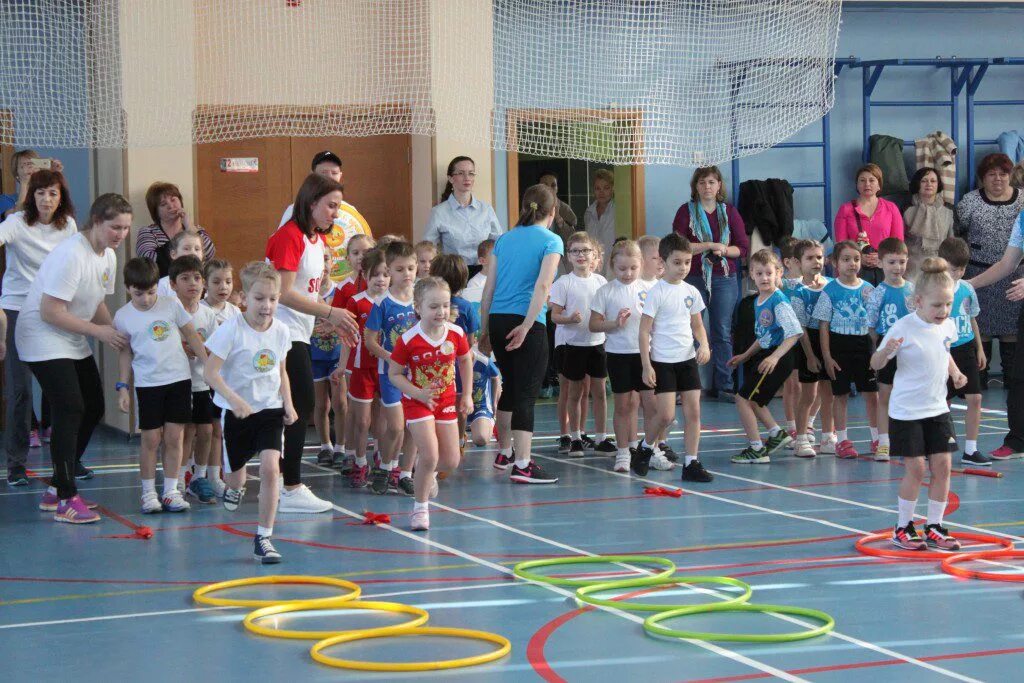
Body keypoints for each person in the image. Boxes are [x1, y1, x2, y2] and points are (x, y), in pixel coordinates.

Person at [17, 193, 131, 523]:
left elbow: (95, 301)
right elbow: (50, 311)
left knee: (93, 405)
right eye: (114, 227)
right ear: (96, 222)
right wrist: (99, 333)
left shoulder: (108, 255)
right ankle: (66, 497)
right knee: (70, 407)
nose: (120, 235)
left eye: (125, 228)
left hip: (70, 335)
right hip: (42, 335)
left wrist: (114, 330)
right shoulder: (71, 255)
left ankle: (56, 488)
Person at [265, 172, 358, 514]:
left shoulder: (316, 242)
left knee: (296, 408)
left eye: (338, 207)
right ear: (311, 202)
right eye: (331, 206)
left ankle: (281, 483)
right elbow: (283, 292)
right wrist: (330, 312)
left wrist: (328, 321)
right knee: (301, 405)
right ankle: (289, 487)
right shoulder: (289, 236)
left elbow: (309, 292)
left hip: (301, 331)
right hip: (281, 334)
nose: (335, 213)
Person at [204, 262, 297, 563]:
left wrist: (289, 403)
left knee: (271, 468)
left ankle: (264, 537)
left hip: (269, 410)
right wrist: (234, 400)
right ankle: (235, 488)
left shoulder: (282, 331)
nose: (266, 305)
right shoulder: (231, 330)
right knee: (236, 478)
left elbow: (281, 371)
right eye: (259, 298)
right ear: (244, 297)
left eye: (272, 299)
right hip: (237, 413)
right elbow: (210, 373)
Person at [870, 257, 965, 551]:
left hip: (937, 409)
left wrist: (955, 372)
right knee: (916, 470)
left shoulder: (947, 326)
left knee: (944, 466)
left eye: (948, 304)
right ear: (918, 302)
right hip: (907, 412)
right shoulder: (903, 327)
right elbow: (875, 363)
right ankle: (903, 527)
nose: (943, 311)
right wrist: (885, 351)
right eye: (937, 305)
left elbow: (943, 349)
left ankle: (934, 526)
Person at [479, 183, 562, 484]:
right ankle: (524, 465)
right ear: (551, 213)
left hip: (499, 318)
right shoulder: (551, 241)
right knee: (526, 390)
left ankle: (504, 453)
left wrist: (485, 328)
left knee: (511, 385)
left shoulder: (503, 240)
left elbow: (489, 288)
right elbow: (543, 286)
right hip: (526, 320)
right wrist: (528, 325)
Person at [0, 169, 77, 486]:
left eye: (53, 193)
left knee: (64, 391)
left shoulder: (69, 226)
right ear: (31, 196)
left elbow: (76, 264)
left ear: (61, 198)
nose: (47, 199)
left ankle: (69, 462)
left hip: (53, 312)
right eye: (41, 192)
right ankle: (16, 464)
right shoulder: (17, 223)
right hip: (18, 310)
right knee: (19, 390)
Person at [114, 257, 208, 514]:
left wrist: (208, 364)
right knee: (151, 439)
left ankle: (170, 491)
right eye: (138, 293)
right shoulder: (123, 317)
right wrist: (122, 386)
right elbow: (125, 353)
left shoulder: (171, 305)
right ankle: (148, 493)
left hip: (178, 380)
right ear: (127, 288)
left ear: (158, 286)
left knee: (174, 437)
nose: (145, 299)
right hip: (148, 384)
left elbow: (190, 334)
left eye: (151, 292)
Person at [388, 276, 473, 531]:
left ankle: (428, 475)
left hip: (446, 400)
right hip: (417, 401)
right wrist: (418, 393)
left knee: (450, 460)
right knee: (430, 453)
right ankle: (420, 508)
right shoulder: (408, 340)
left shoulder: (456, 334)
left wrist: (467, 395)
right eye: (434, 306)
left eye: (445, 306)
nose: (441, 312)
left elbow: (465, 361)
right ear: (418, 307)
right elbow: (394, 374)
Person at [633, 234, 712, 480]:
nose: (683, 268)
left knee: (693, 413)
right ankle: (645, 447)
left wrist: (704, 345)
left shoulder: (691, 291)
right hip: (663, 361)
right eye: (677, 262)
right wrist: (647, 365)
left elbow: (697, 324)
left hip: (687, 359)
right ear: (663, 262)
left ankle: (691, 463)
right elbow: (644, 331)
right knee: (666, 416)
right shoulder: (656, 292)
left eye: (687, 262)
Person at [673, 166, 750, 402]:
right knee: (687, 331)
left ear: (719, 186)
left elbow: (743, 248)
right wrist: (709, 246)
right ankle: (685, 385)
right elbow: (680, 245)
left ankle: (725, 385)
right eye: (702, 182)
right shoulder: (686, 211)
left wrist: (724, 250)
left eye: (711, 182)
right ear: (695, 187)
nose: (707, 186)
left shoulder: (730, 212)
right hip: (693, 277)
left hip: (724, 278)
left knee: (722, 332)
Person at [727, 249, 803, 464]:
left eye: (769, 273)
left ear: (778, 273)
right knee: (756, 400)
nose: (764, 278)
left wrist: (774, 358)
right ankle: (776, 434)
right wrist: (744, 355)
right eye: (759, 273)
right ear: (751, 274)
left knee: (743, 399)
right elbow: (765, 335)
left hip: (778, 357)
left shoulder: (778, 301)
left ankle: (757, 449)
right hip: (769, 354)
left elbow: (795, 332)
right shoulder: (759, 300)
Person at [957, 153, 1024, 389]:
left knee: (1012, 331)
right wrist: (968, 283)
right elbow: (960, 230)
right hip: (979, 272)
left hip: (1016, 278)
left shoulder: (1022, 201)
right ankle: (978, 382)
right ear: (982, 178)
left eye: (1003, 174)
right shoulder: (969, 202)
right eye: (991, 174)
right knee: (979, 328)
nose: (998, 179)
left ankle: (1013, 383)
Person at [813, 241, 879, 459]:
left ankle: (877, 438)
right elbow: (823, 325)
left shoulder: (869, 290)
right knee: (839, 395)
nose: (852, 264)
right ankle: (842, 440)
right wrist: (827, 356)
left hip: (864, 347)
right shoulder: (829, 291)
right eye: (846, 259)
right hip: (839, 347)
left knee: (871, 394)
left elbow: (873, 325)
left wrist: (876, 352)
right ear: (835, 263)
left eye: (856, 259)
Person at [364, 241, 419, 495]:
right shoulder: (383, 304)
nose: (406, 274)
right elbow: (369, 340)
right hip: (391, 374)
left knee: (414, 425)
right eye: (399, 269)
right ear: (390, 271)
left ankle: (405, 473)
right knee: (396, 425)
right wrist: (391, 356)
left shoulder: (421, 299)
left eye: (410, 268)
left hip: (418, 374)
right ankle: (386, 467)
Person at [550, 232, 610, 457]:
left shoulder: (601, 282)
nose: (581, 255)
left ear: (594, 255)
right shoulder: (564, 282)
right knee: (570, 390)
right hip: (570, 344)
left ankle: (594, 436)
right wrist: (569, 319)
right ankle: (569, 435)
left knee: (595, 390)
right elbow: (555, 316)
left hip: (595, 343)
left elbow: (605, 311)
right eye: (575, 251)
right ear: (568, 256)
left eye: (585, 250)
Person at [318, 233, 373, 471]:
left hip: (377, 357)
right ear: (348, 258)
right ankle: (349, 452)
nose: (361, 258)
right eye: (356, 253)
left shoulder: (382, 285)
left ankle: (379, 457)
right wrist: (326, 326)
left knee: (376, 411)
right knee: (350, 406)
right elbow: (337, 319)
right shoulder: (344, 288)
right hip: (351, 355)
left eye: (365, 252)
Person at [168, 256, 220, 503]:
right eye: (185, 278)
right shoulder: (169, 311)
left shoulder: (208, 315)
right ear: (173, 284)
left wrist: (204, 351)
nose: (193, 283)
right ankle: (179, 477)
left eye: (197, 278)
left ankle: (200, 477)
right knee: (185, 432)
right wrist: (181, 346)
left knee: (207, 429)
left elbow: (215, 347)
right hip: (178, 382)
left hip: (201, 382)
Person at [278, 150, 374, 283]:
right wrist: (328, 305)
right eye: (323, 173)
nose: (329, 177)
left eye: (334, 173)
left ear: (340, 176)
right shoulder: (291, 225)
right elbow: (284, 290)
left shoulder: (348, 213)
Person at [340, 248, 390, 487]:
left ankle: (381, 457)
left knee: (382, 417)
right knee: (362, 421)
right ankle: (360, 461)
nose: (381, 279)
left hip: (385, 369)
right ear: (365, 275)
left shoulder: (393, 304)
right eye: (375, 275)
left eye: (385, 274)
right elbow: (347, 337)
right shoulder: (356, 302)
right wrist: (342, 366)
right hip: (361, 369)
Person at [938, 237, 989, 465]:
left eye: (961, 269)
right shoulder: (936, 290)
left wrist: (979, 348)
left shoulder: (967, 289)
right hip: (943, 350)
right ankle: (942, 444)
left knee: (975, 397)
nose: (957, 273)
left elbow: (972, 319)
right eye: (952, 269)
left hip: (966, 347)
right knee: (943, 400)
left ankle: (971, 449)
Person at [866, 238, 915, 463]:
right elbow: (872, 326)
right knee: (884, 395)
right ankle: (884, 443)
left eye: (902, 262)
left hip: (910, 348)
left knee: (908, 395)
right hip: (888, 346)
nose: (897, 267)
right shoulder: (878, 292)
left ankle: (907, 440)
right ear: (881, 263)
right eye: (892, 262)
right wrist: (879, 351)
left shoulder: (912, 289)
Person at [430, 253, 481, 450]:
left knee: (437, 400)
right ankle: (459, 439)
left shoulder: (428, 304)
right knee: (459, 401)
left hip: (435, 362)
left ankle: (438, 439)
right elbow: (469, 340)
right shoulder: (466, 306)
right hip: (457, 363)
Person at [790, 239, 834, 457]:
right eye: (810, 258)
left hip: (829, 341)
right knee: (808, 394)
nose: (816, 262)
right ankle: (800, 439)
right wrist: (809, 355)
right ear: (798, 262)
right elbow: (801, 328)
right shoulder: (799, 292)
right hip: (809, 342)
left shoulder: (831, 285)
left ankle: (828, 437)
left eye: (819, 257)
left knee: (829, 393)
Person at [423, 156, 503, 277]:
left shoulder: (486, 209)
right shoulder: (438, 212)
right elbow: (428, 248)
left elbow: (499, 242)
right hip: (453, 273)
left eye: (471, 173)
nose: (467, 178)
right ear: (450, 178)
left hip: (485, 272)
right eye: (461, 173)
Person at [199, 259, 239, 498]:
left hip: (228, 381)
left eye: (228, 281)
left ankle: (220, 475)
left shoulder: (235, 313)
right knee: (210, 430)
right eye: (216, 282)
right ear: (205, 283)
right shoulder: (201, 311)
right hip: (205, 381)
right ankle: (209, 477)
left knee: (222, 430)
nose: (223, 287)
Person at [833, 163, 905, 286]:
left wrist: (881, 258)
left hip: (886, 270)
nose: (867, 184)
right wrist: (859, 258)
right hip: (854, 270)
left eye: (872, 180)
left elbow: (898, 244)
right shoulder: (845, 209)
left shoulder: (891, 208)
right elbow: (841, 245)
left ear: (879, 185)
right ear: (857, 185)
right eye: (862, 180)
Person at [136, 182, 215, 276]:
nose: (170, 206)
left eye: (173, 200)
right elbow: (149, 261)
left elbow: (210, 253)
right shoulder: (148, 232)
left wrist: (189, 227)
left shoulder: (195, 229)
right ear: (155, 211)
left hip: (195, 285)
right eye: (163, 204)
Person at [902, 167, 955, 280]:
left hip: (940, 270)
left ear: (938, 184)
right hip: (911, 271)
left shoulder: (948, 211)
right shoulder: (906, 210)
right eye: (924, 181)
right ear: (917, 184)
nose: (929, 184)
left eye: (933, 181)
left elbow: (952, 244)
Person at [0, 149, 65, 218]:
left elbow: (60, 212)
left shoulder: (45, 197)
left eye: (33, 163)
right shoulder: (6, 199)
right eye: (24, 165)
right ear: (17, 174)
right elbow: (17, 219)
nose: (30, 167)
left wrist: (55, 175)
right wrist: (24, 183)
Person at [583, 169, 617, 269]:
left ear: (612, 189)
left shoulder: (618, 211)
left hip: (613, 265)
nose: (601, 192)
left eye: (606, 188)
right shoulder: (589, 213)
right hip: (593, 266)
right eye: (598, 188)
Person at [156, 230, 204, 296]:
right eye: (186, 249)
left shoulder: (208, 281)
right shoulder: (164, 284)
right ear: (173, 254)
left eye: (197, 249)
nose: (193, 253)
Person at [538, 170, 578, 245]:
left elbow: (574, 238)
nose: (549, 188)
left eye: (553, 185)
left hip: (561, 254)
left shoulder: (565, 209)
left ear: (557, 188)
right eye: (545, 184)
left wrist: (558, 218)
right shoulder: (532, 207)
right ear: (538, 187)